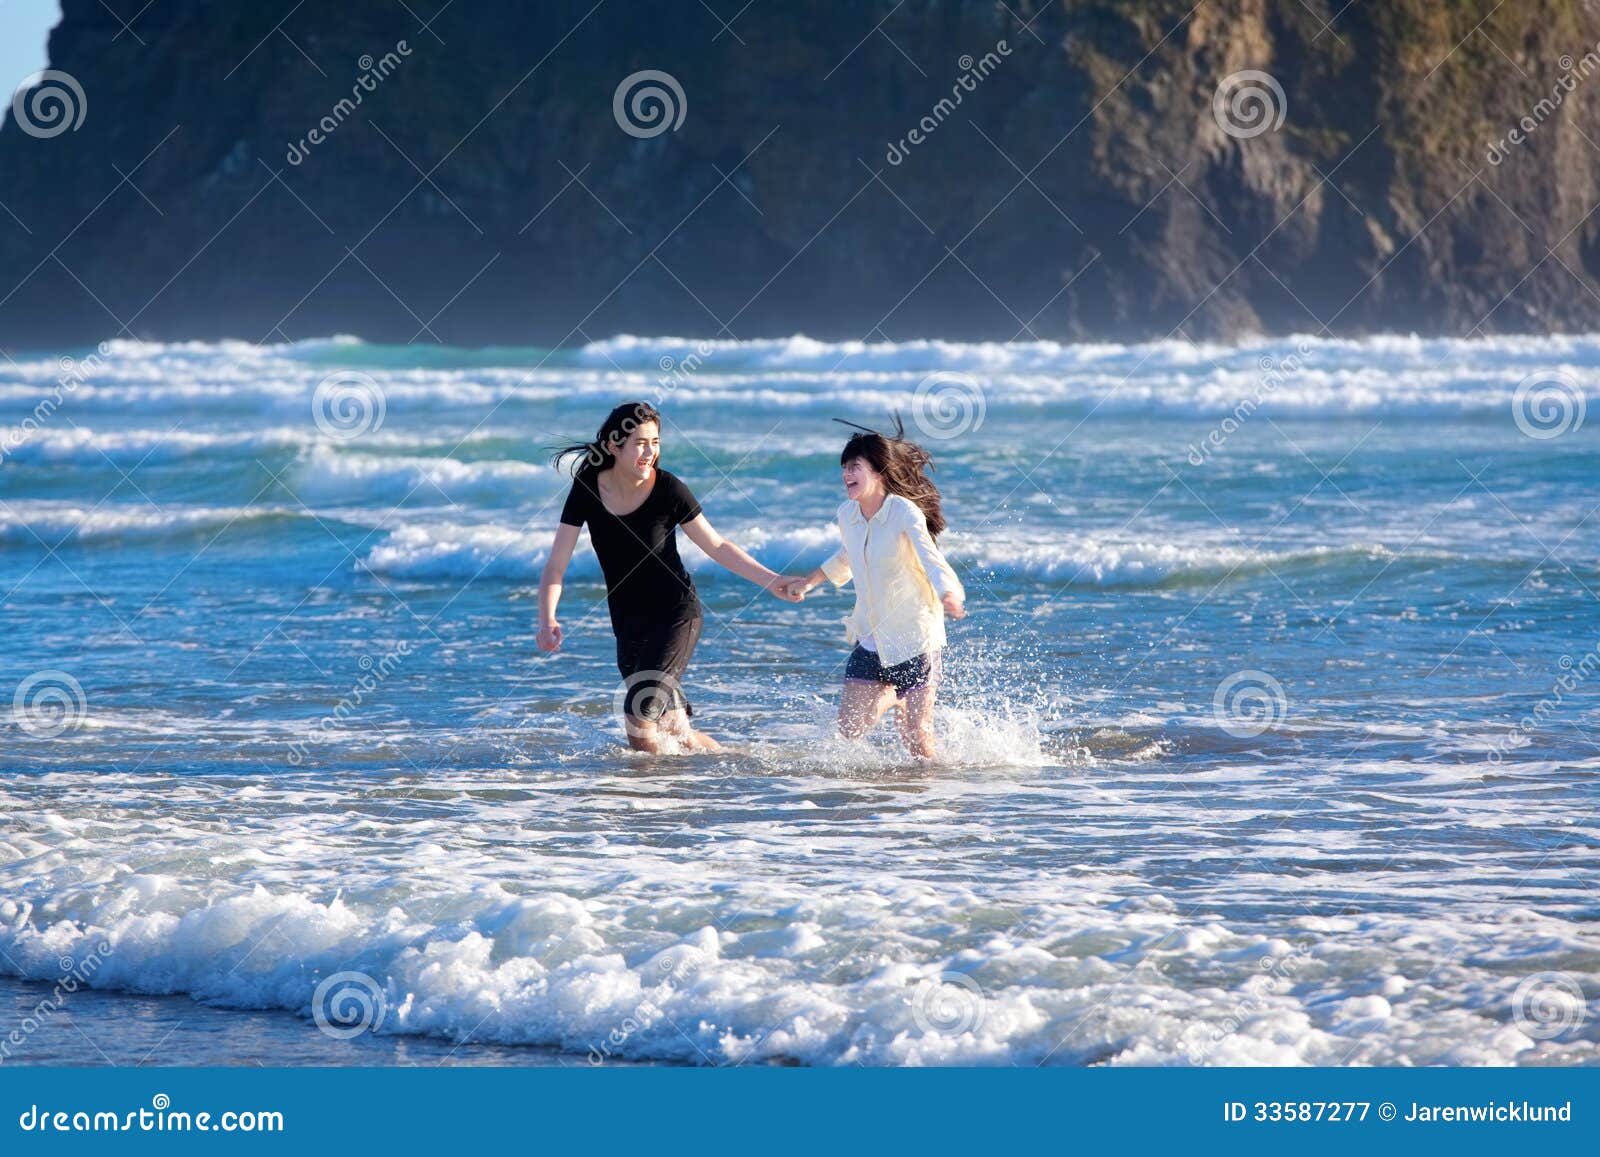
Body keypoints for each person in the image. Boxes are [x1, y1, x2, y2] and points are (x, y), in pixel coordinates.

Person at [537, 402, 799, 753]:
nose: (650, 452)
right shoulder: (588, 487)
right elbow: (556, 565)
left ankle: (647, 798)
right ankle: (734, 765)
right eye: (641, 443)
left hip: (676, 614)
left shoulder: (669, 489)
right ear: (615, 446)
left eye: (656, 442)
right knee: (675, 730)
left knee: (638, 710)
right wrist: (547, 617)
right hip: (628, 622)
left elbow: (717, 545)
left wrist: (772, 580)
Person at [786, 419, 965, 758]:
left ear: (880, 473)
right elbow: (848, 556)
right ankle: (892, 695)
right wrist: (808, 583)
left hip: (915, 637)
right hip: (872, 635)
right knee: (849, 729)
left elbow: (931, 558)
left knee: (916, 740)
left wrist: (949, 593)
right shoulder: (848, 514)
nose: (846, 474)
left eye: (855, 467)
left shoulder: (902, 512)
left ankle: (931, 802)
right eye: (844, 467)